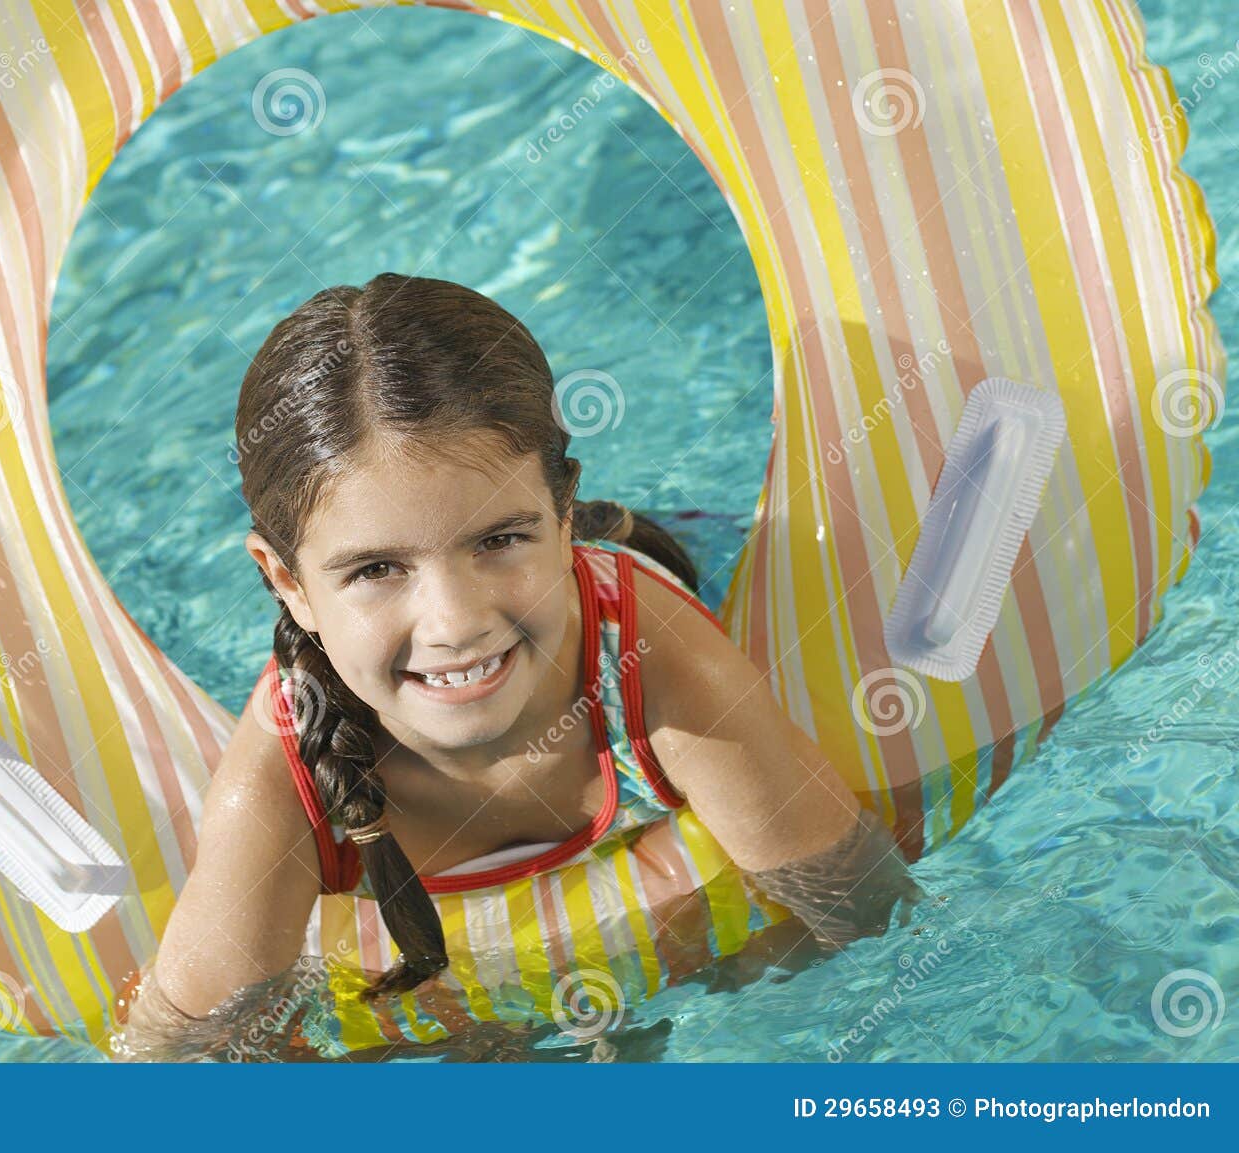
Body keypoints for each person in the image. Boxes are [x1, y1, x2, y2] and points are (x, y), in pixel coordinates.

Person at [118, 272, 920, 1057]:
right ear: (286, 580)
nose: (456, 621)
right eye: (375, 570)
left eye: (500, 539)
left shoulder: (656, 664)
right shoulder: (281, 779)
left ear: (565, 518)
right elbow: (174, 1062)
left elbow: (873, 924)